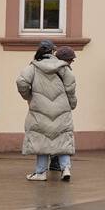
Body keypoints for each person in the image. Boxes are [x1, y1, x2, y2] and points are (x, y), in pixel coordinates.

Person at [17, 40, 77, 182]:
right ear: (52, 52)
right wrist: (71, 104)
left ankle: (40, 173)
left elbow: (21, 82)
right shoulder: (63, 67)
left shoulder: (33, 67)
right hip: (62, 108)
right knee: (62, 139)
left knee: (41, 140)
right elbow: (71, 87)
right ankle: (66, 168)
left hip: (39, 108)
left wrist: (29, 96)